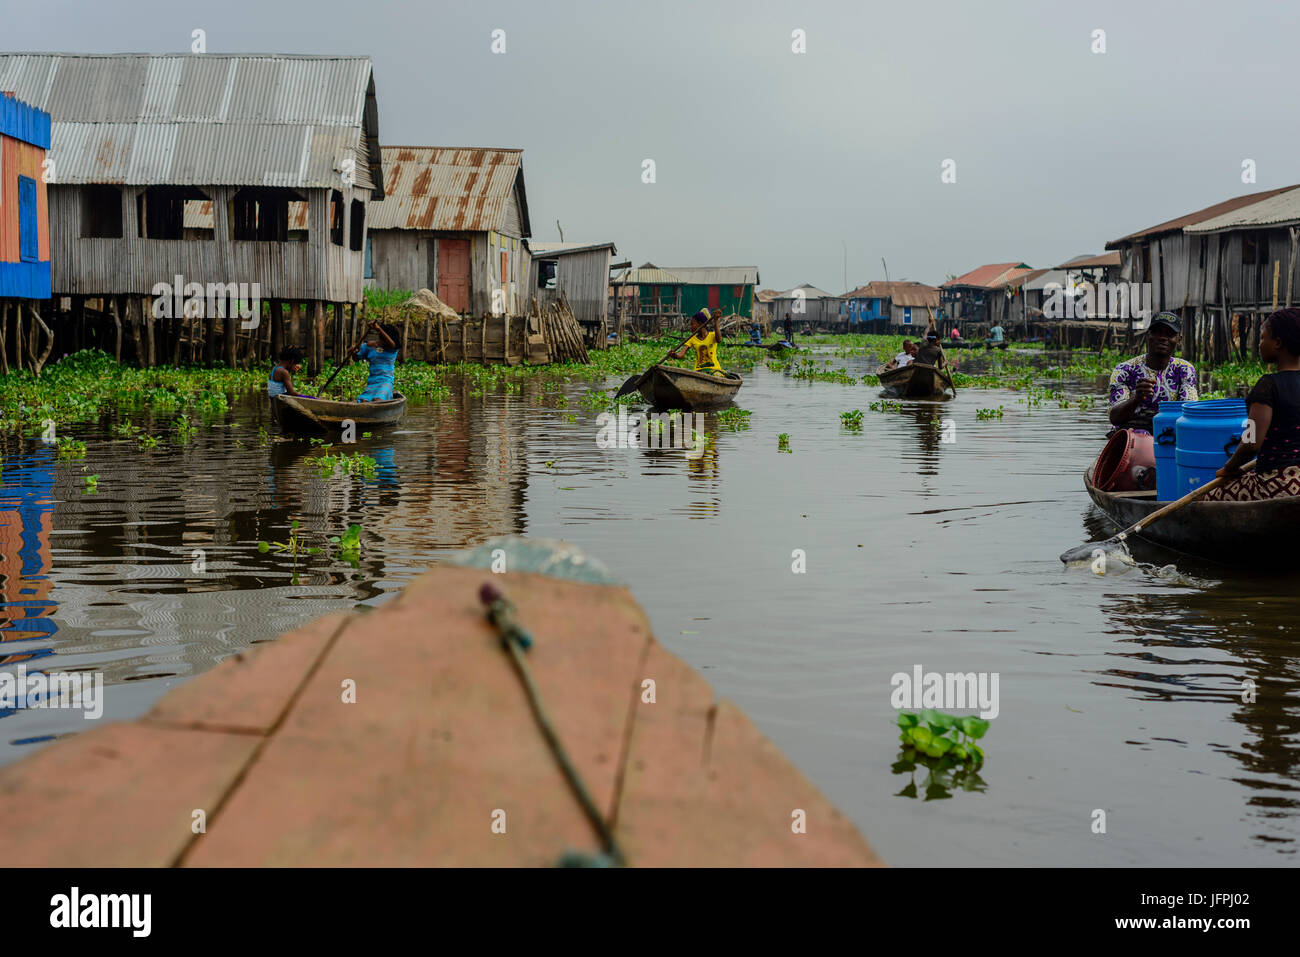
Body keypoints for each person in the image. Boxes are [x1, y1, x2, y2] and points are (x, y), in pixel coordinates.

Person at [1203, 308, 1300, 501]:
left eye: (1263, 338)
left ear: (1278, 343)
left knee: (1206, 498)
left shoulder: (1268, 386)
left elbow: (1251, 443)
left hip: (1277, 483)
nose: (1259, 344)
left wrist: (1229, 467)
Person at [1107, 312, 1198, 435]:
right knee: (1142, 435)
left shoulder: (1184, 369)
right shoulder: (1124, 370)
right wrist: (1136, 399)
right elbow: (1115, 418)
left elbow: (1189, 413)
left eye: (1169, 334)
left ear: (1179, 340)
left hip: (1168, 433)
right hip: (1130, 436)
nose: (1162, 338)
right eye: (1157, 332)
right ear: (1148, 336)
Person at [350, 321, 399, 402]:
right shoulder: (369, 346)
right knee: (364, 401)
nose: (383, 341)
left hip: (385, 382)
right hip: (372, 383)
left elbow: (392, 344)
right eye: (382, 338)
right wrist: (353, 353)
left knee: (377, 400)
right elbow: (356, 359)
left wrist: (378, 329)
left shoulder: (392, 349)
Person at [670, 308, 726, 375]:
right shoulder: (692, 339)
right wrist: (674, 355)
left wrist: (716, 320)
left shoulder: (712, 335)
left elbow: (719, 340)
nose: (691, 327)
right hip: (699, 371)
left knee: (717, 375)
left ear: (700, 324)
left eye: (692, 324)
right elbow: (681, 354)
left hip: (714, 370)